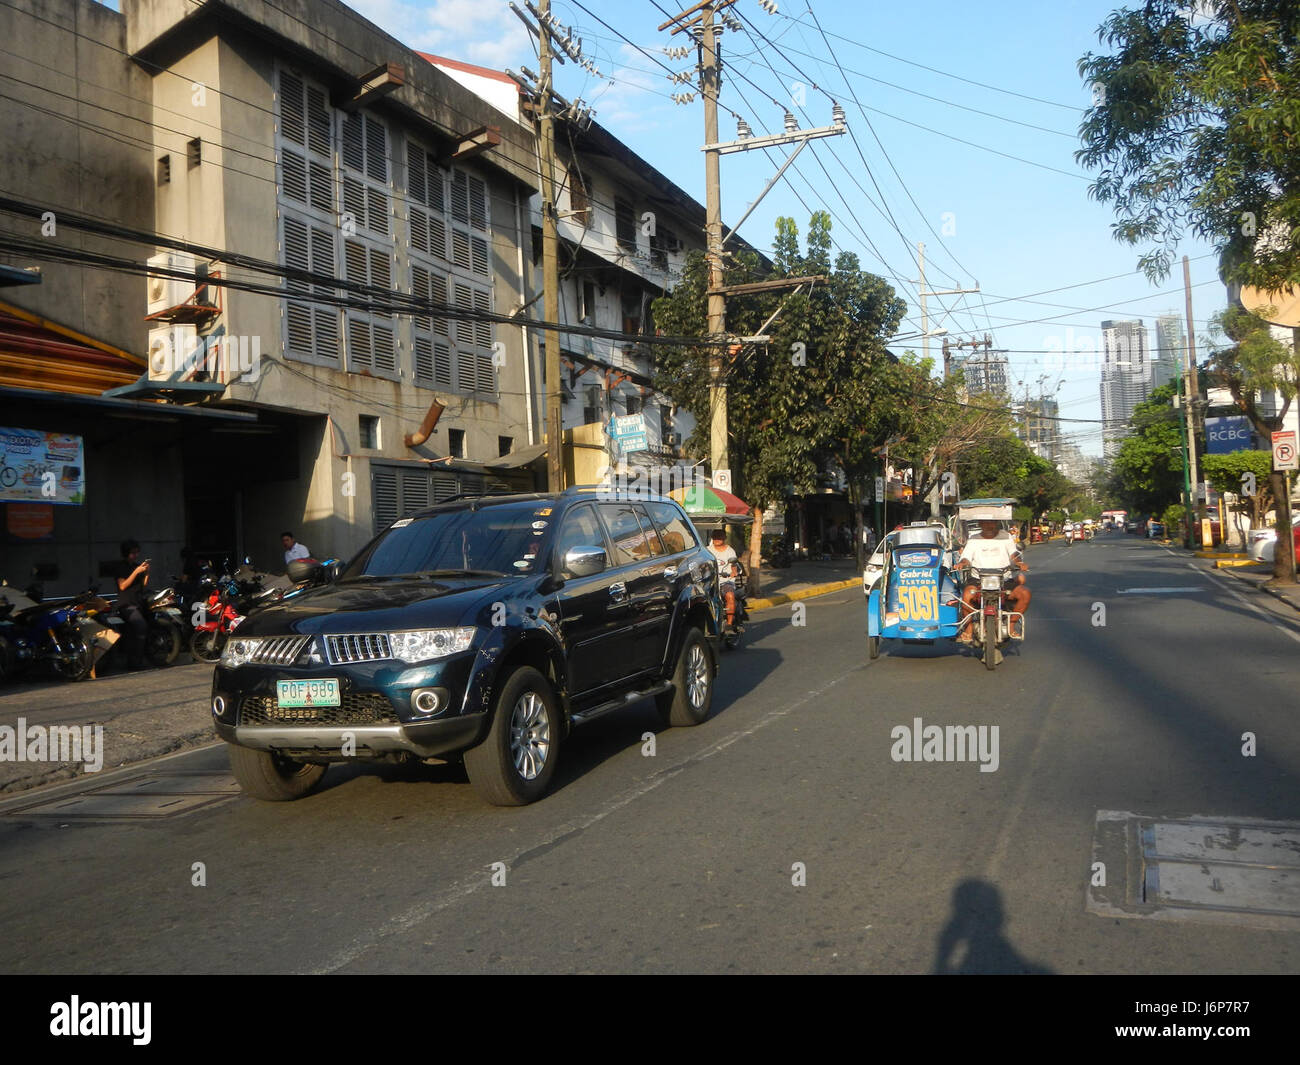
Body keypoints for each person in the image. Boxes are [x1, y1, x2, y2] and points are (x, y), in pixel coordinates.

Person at [956, 519, 1030, 642]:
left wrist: (1019, 562)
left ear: (997, 523)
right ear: (980, 524)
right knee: (966, 596)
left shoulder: (1006, 536)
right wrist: (962, 563)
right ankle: (968, 629)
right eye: (985, 522)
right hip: (978, 580)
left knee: (1025, 593)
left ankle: (1011, 626)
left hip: (1004, 579)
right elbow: (966, 557)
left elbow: (1014, 554)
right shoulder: (974, 539)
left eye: (992, 522)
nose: (989, 525)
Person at [114, 538, 150, 669]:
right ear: (126, 553)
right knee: (141, 626)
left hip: (138, 602)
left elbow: (144, 585)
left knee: (133, 632)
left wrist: (146, 572)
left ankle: (135, 660)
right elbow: (122, 586)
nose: (135, 555)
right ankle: (136, 661)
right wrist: (135, 572)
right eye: (133, 553)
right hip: (126, 604)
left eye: (137, 552)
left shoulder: (137, 566)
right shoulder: (121, 567)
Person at [707, 527, 740, 630]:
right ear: (712, 537)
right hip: (710, 581)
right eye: (715, 537)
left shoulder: (730, 551)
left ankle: (729, 624)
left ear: (724, 538)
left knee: (730, 595)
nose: (717, 539)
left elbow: (734, 567)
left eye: (719, 537)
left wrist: (732, 573)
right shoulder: (707, 550)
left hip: (725, 582)